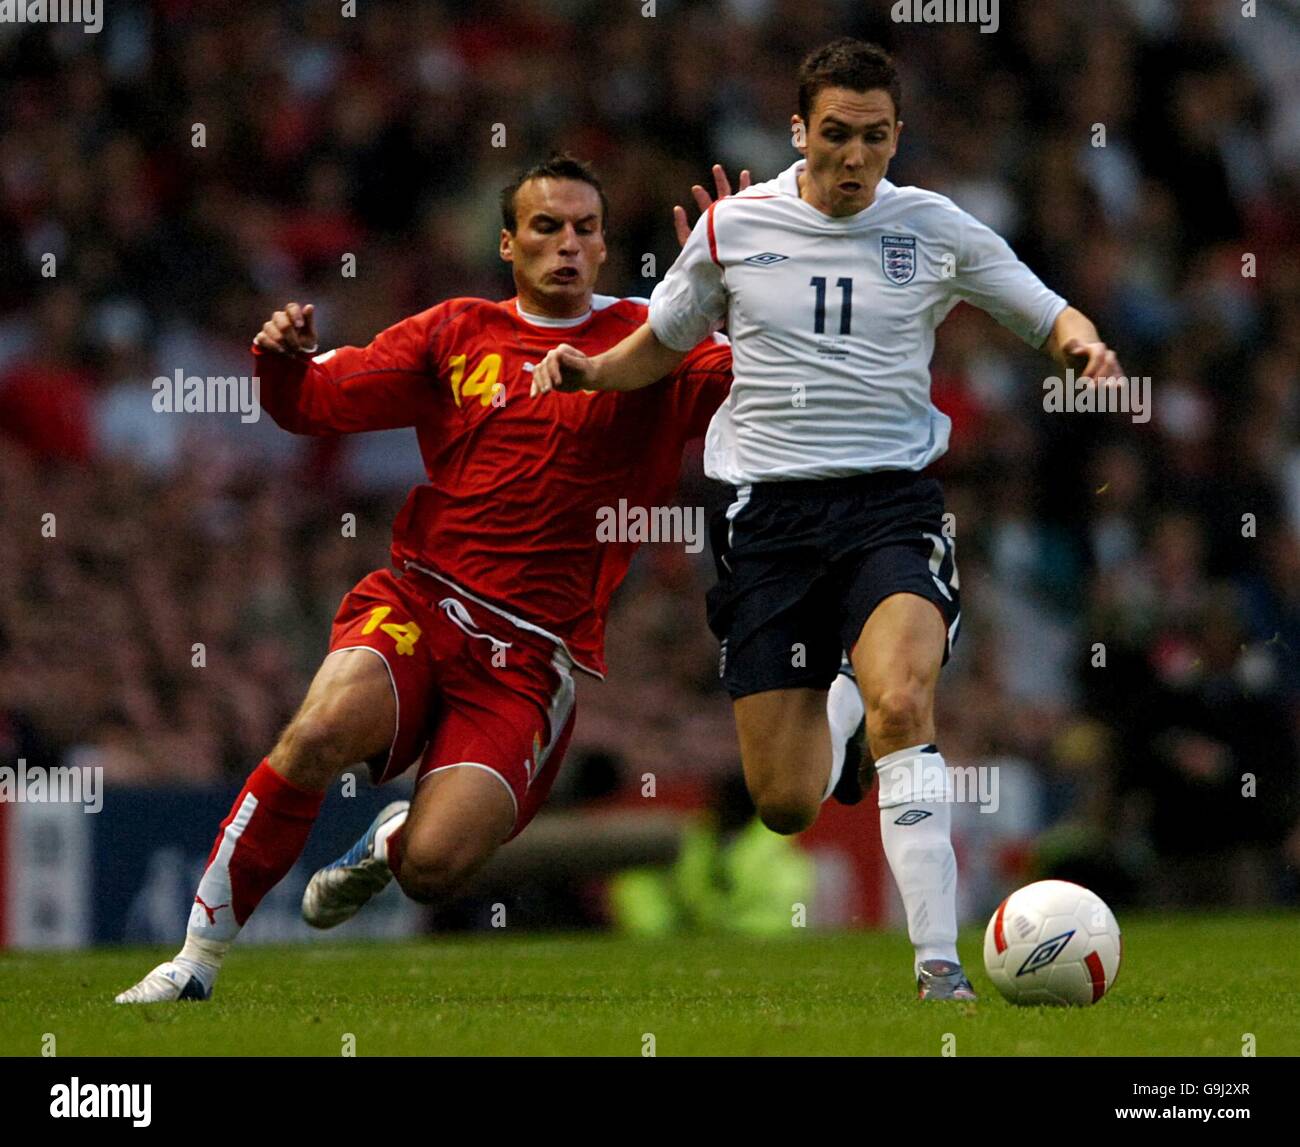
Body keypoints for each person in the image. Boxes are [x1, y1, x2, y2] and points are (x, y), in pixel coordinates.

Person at [532, 40, 1124, 1000]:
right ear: (799, 132)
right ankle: (840, 710)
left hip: (889, 504)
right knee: (782, 800)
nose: (856, 158)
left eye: (876, 138)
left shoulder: (934, 227)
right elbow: (664, 341)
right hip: (764, 520)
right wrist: (594, 370)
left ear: (898, 137)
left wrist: (1084, 347)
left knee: (906, 705)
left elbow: (1044, 309)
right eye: (837, 135)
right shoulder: (733, 228)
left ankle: (939, 965)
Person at [115, 156, 746, 1003]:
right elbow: (315, 404)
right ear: (507, 245)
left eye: (584, 229)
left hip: (532, 656)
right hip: (422, 600)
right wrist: (281, 359)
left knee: (435, 868)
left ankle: (388, 844)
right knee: (316, 731)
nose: (567, 243)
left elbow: (763, 385)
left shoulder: (651, 344)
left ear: (603, 247)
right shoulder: (455, 330)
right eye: (545, 227)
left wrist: (748, 286)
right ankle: (194, 959)